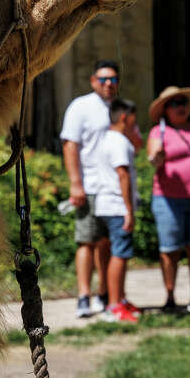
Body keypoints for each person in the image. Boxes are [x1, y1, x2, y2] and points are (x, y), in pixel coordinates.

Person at [61, 60, 141, 318]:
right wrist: (76, 184)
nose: (109, 84)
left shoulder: (121, 109)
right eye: (104, 79)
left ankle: (105, 295)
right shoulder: (81, 106)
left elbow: (135, 143)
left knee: (107, 244)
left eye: (114, 80)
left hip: (112, 190)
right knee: (86, 241)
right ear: (93, 80)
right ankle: (84, 296)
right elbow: (70, 145)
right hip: (89, 186)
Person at [146, 85, 190, 313]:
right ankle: (170, 297)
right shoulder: (159, 132)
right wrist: (157, 157)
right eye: (175, 103)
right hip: (168, 199)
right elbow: (153, 158)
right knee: (169, 250)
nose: (181, 107)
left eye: (183, 102)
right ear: (165, 110)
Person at [97, 99, 140, 323]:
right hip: (117, 206)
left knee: (116, 252)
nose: (136, 122)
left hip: (105, 204)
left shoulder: (106, 139)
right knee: (120, 255)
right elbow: (123, 175)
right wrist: (129, 210)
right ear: (125, 117)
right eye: (134, 117)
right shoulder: (120, 141)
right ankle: (114, 305)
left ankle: (119, 299)